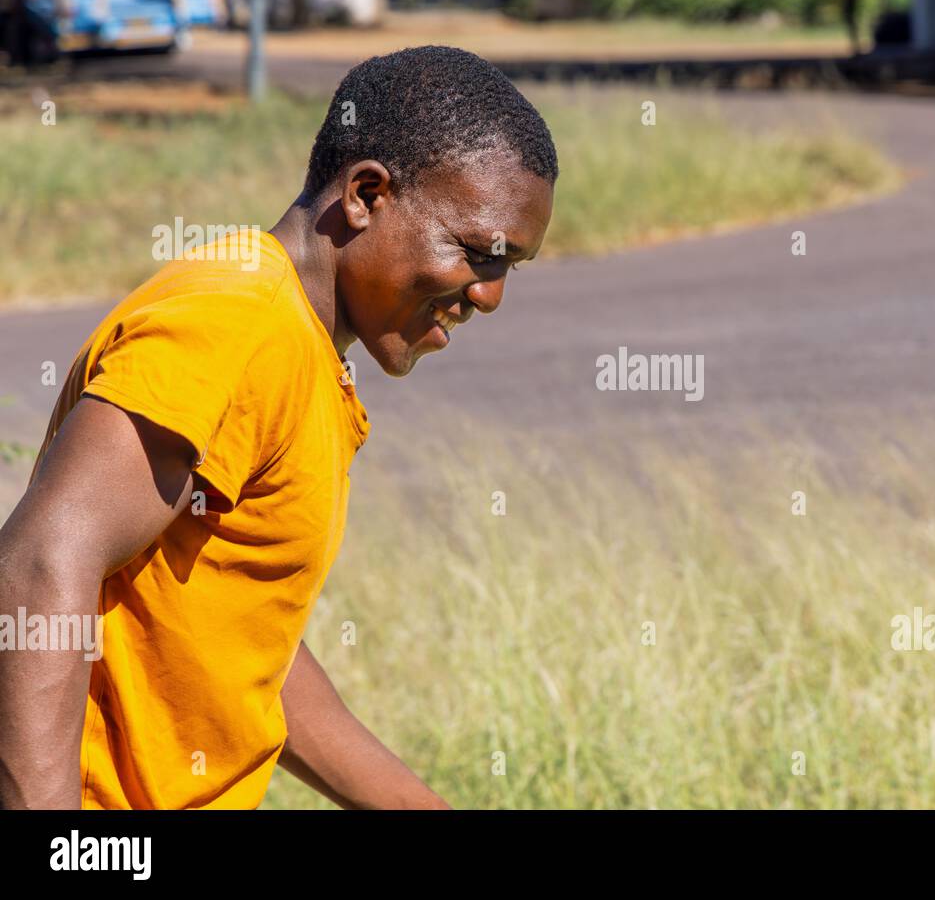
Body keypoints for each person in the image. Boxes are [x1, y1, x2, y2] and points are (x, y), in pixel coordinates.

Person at [0, 45, 557, 809]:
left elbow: (237, 640)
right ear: (366, 193)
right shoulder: (238, 321)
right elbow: (37, 568)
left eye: (510, 267)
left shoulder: (296, 347)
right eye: (475, 251)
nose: (489, 295)